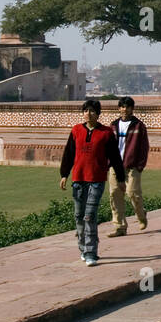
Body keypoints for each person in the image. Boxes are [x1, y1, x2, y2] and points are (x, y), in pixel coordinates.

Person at [59, 99, 125, 267]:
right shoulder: (76, 131)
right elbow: (69, 153)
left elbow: (115, 158)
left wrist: (121, 178)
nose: (88, 113)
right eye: (86, 110)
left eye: (92, 111)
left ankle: (91, 252)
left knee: (89, 216)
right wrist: (64, 174)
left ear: (98, 113)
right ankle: (82, 248)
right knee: (79, 216)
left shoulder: (106, 133)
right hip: (79, 180)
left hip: (96, 180)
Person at [106, 96, 150, 237]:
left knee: (132, 193)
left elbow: (144, 147)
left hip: (132, 165)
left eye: (127, 107)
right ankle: (120, 227)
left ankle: (141, 216)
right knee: (114, 194)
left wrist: (140, 165)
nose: (124, 109)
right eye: (122, 107)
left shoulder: (138, 126)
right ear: (119, 108)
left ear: (132, 109)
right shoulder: (113, 125)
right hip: (115, 165)